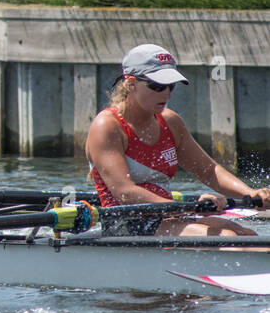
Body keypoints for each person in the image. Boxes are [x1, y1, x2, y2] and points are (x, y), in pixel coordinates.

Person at [86, 44, 270, 236]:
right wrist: (189, 207)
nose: (166, 93)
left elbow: (208, 171)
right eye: (157, 86)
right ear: (131, 83)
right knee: (226, 237)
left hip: (167, 216)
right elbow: (125, 192)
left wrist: (251, 193)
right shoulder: (107, 126)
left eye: (170, 85)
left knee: (243, 233)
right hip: (125, 224)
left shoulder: (170, 122)